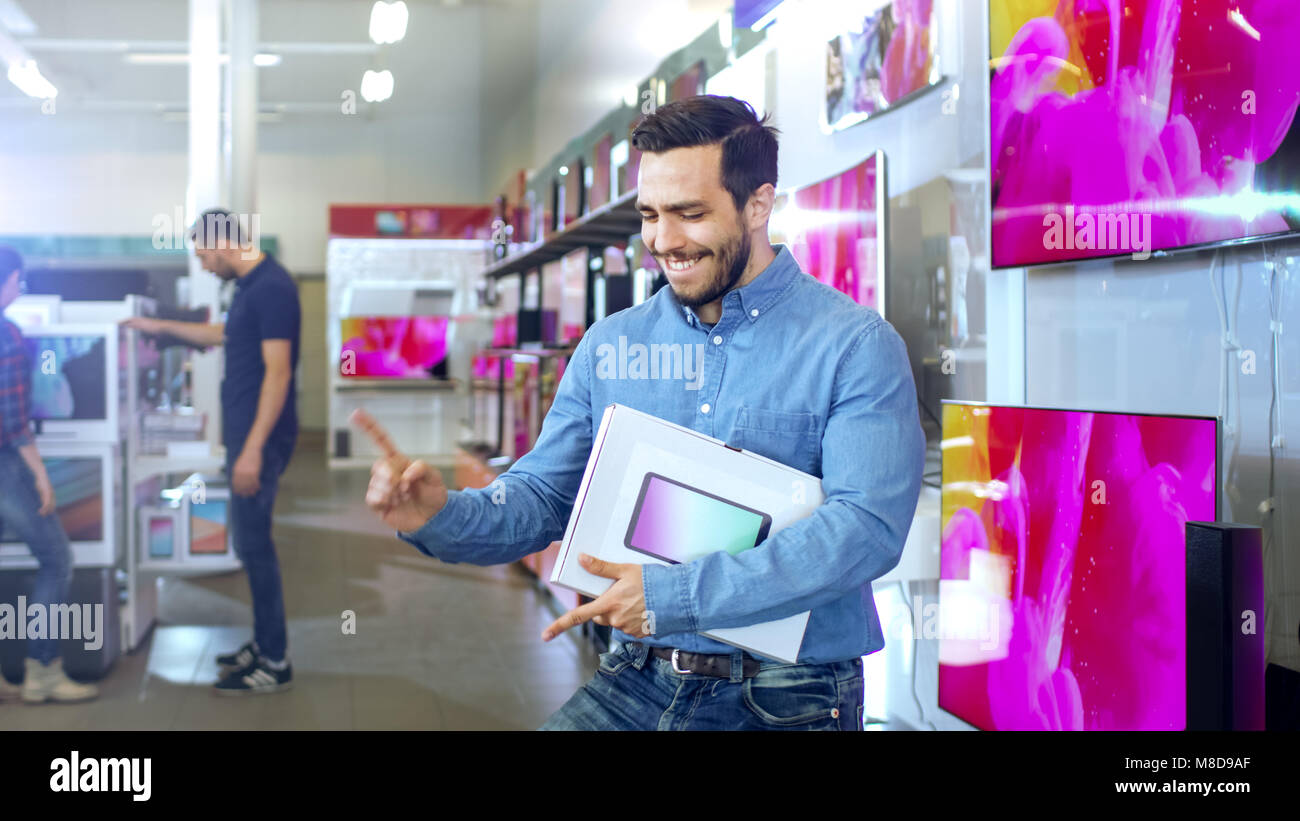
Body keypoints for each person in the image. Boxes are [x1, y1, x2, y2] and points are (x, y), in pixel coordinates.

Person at [357, 95, 925, 730]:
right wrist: (440, 514)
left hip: (788, 695)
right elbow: (545, 497)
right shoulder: (610, 345)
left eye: (690, 214)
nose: (664, 241)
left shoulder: (855, 345)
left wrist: (672, 597)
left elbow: (865, 529)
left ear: (759, 204)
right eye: (650, 215)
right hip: (638, 671)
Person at [123, 210, 300, 695]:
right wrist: (157, 326)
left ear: (223, 244)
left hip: (259, 441)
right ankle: (263, 644)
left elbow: (279, 373)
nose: (203, 266)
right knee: (247, 544)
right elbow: (223, 335)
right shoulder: (249, 287)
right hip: (247, 437)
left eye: (204, 255)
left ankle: (275, 661)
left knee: (255, 548)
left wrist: (252, 452)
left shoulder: (272, 288)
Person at [0, 245, 99, 704]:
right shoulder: (6, 336)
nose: (20, 289)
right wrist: (40, 475)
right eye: (18, 280)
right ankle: (42, 671)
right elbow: (15, 420)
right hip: (5, 466)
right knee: (56, 560)